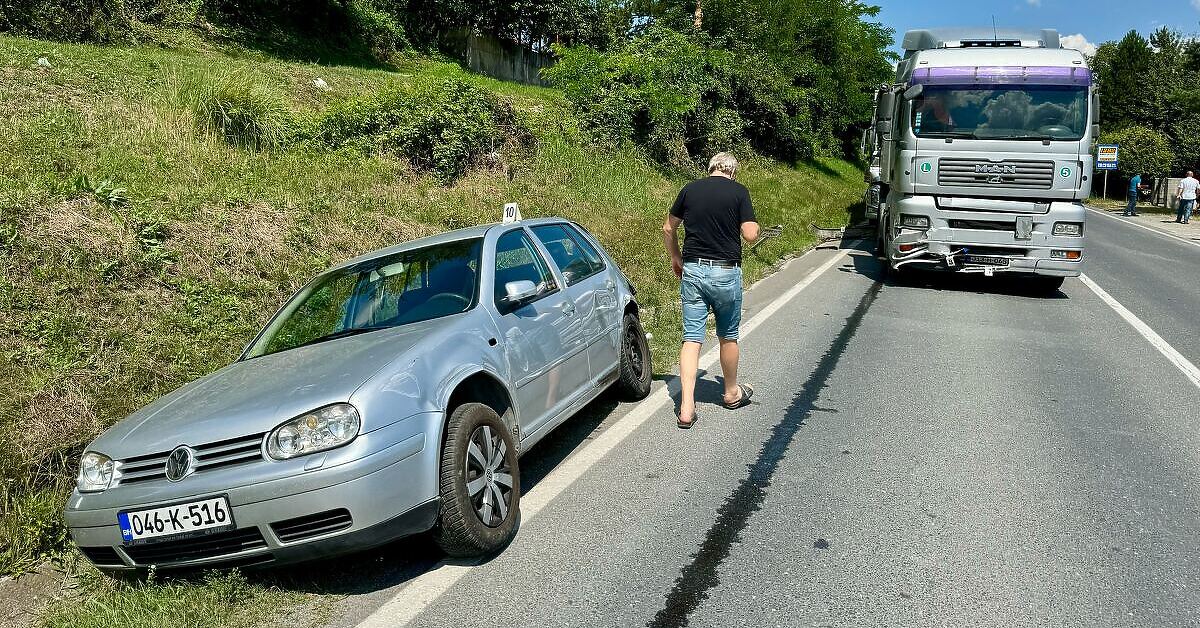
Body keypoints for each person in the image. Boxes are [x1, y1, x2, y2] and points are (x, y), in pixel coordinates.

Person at [662, 152, 760, 429]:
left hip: (693, 270)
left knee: (692, 338)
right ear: (733, 172)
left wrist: (676, 257)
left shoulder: (690, 189)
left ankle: (686, 407)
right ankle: (730, 393)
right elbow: (750, 234)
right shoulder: (739, 192)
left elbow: (668, 227)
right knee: (728, 336)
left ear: (710, 169)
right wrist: (755, 226)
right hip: (726, 272)